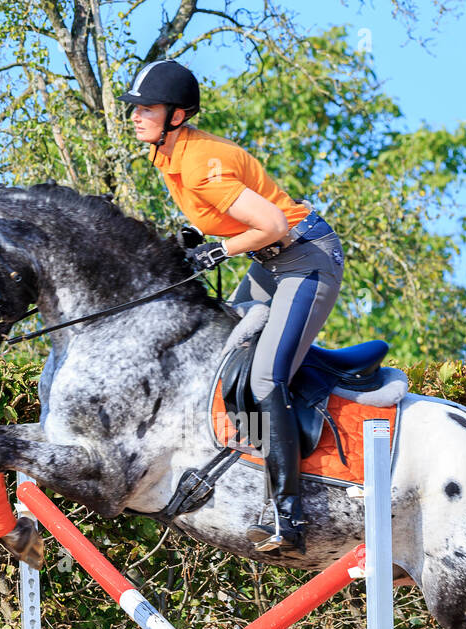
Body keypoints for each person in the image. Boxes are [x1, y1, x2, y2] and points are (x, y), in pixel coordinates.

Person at [119, 60, 345, 556]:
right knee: (222, 352)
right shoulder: (171, 154)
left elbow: (270, 224)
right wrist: (203, 235)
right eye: (134, 107)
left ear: (177, 116)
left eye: (146, 109)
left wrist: (218, 250)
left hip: (305, 261)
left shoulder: (198, 161)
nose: (134, 116)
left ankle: (291, 516)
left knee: (264, 378)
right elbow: (232, 214)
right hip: (273, 265)